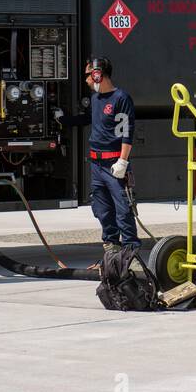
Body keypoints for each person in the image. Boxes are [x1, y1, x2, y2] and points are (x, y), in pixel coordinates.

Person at [66, 56, 138, 253]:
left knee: (123, 209)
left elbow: (126, 132)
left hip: (114, 164)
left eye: (89, 75)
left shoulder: (121, 99)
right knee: (102, 209)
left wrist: (122, 161)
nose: (87, 80)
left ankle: (131, 251)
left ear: (98, 75)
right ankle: (111, 248)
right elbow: (90, 119)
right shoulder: (96, 99)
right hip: (97, 166)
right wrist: (65, 120)